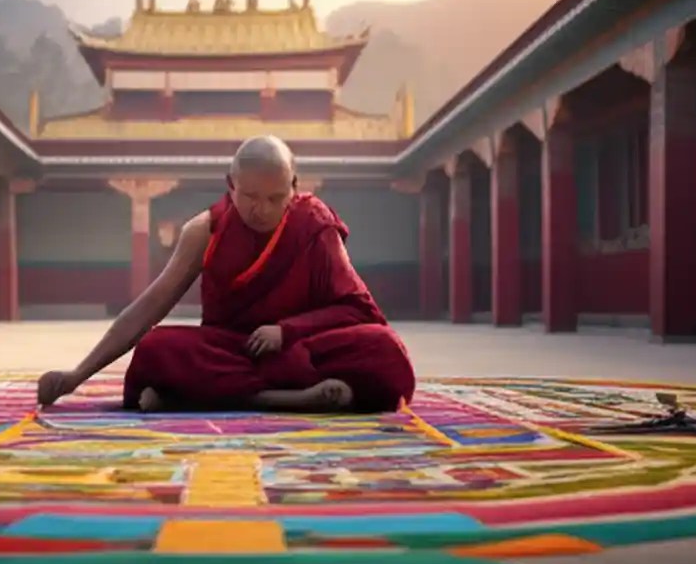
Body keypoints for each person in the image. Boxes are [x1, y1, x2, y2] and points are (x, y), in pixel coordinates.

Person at [36, 135, 415, 413]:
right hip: (235, 349)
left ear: (294, 190)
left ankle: (195, 398)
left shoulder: (315, 224)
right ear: (230, 186)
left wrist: (288, 330)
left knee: (385, 349)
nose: (261, 210)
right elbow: (150, 305)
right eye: (250, 196)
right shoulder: (205, 231)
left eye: (275, 198)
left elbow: (359, 310)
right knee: (155, 349)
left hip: (304, 346)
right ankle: (283, 400)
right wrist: (77, 375)